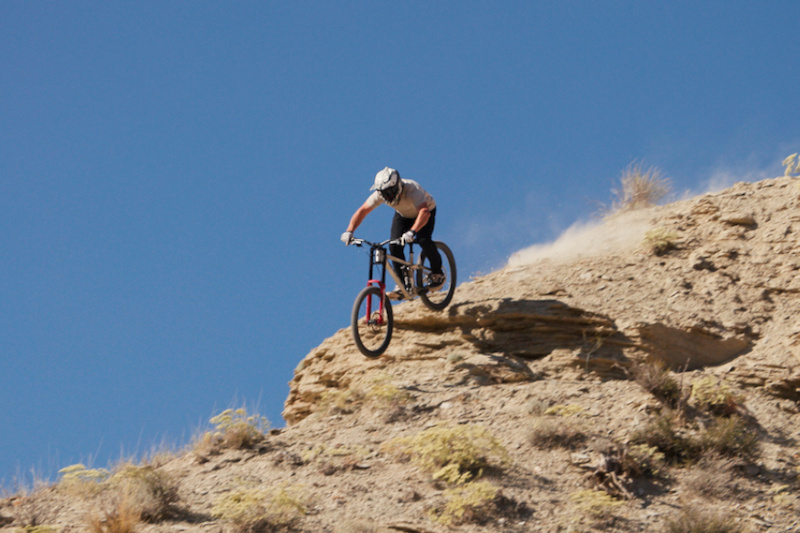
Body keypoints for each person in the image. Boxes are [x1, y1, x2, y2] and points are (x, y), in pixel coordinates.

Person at [342, 167, 444, 300]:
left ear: (398, 185)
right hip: (403, 215)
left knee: (423, 239)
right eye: (385, 193)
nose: (388, 196)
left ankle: (437, 273)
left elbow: (424, 212)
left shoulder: (412, 189)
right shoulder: (380, 195)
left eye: (390, 192)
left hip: (424, 211)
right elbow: (362, 211)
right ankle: (402, 285)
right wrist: (349, 231)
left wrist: (412, 232)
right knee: (394, 246)